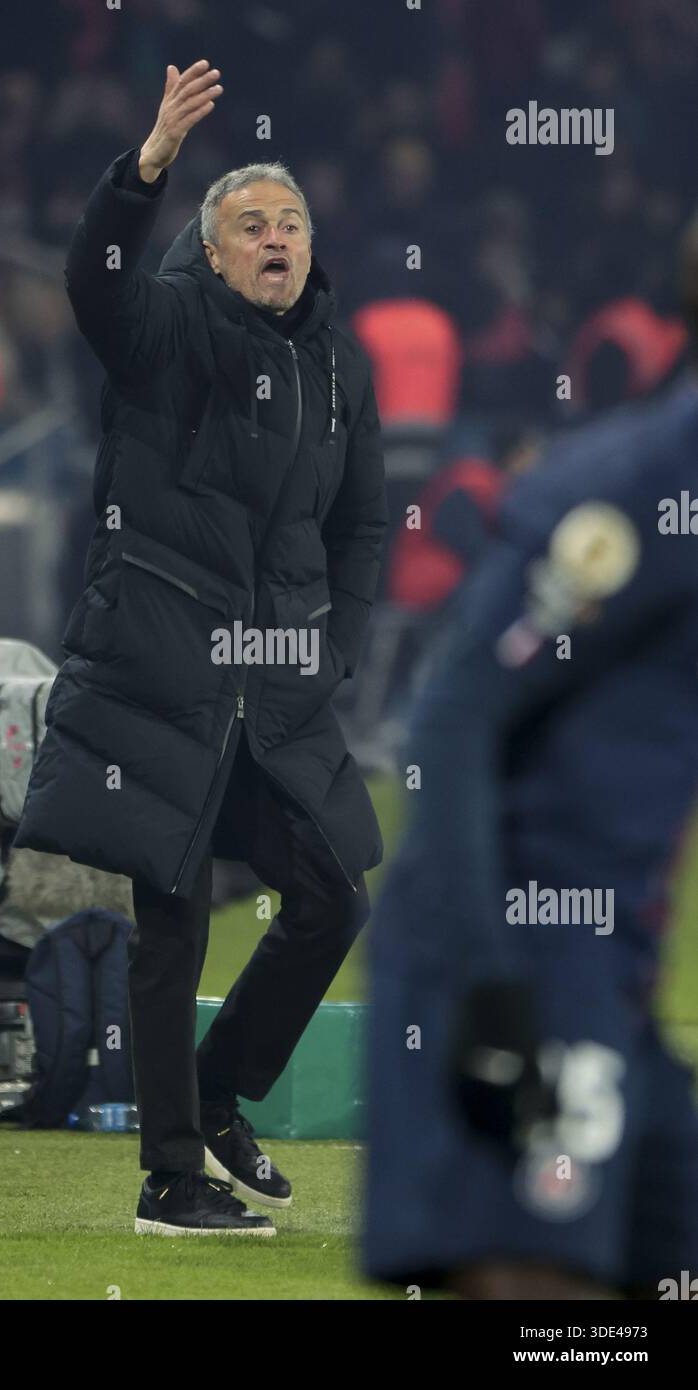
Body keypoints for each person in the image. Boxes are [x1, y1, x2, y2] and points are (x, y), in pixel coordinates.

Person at [14, 60, 387, 1236]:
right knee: (169, 921)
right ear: (213, 252)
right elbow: (93, 277)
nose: (273, 239)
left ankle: (220, 1093)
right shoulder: (164, 327)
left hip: (273, 690)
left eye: (288, 224)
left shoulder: (337, 365)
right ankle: (169, 1177)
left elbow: (359, 523)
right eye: (248, 226)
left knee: (329, 896)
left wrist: (335, 650)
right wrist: (148, 167)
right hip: (161, 681)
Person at [363, 218, 698, 1299]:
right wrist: (486, 986)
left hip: (609, 977)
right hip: (523, 971)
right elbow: (456, 715)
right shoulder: (641, 486)